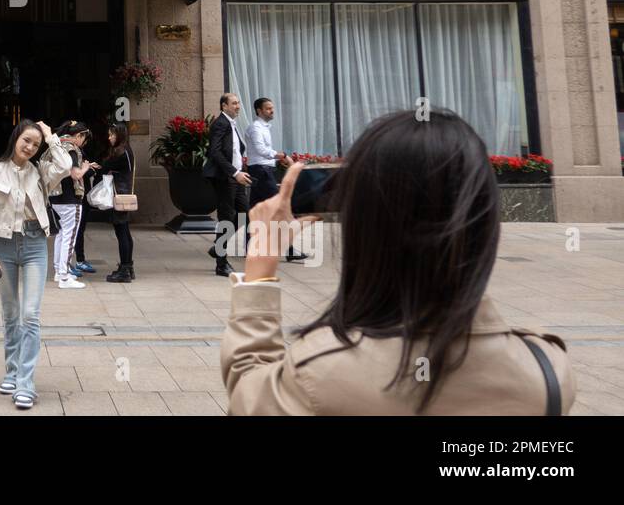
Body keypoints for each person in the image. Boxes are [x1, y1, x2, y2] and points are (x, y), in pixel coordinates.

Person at [222, 110, 576, 415]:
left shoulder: (318, 374)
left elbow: (248, 395)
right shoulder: (548, 372)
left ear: (366, 230)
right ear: (485, 225)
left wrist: (260, 269)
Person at [0, 119, 73, 410]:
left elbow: (66, 165)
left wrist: (50, 137)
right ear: (15, 137)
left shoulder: (42, 172)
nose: (30, 147)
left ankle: (26, 383)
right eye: (26, 140)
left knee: (30, 315)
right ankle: (12, 371)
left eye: (36, 143)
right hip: (4, 246)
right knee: (10, 313)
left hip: (34, 246)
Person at [244, 97, 306, 263]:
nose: (272, 111)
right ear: (259, 110)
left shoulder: (263, 127)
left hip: (261, 171)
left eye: (272, 108)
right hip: (262, 172)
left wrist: (278, 159)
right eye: (268, 108)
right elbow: (261, 150)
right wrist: (282, 155)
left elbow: (263, 152)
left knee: (254, 210)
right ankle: (290, 249)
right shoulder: (256, 128)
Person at [206, 93, 251, 277]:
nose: (238, 106)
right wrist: (234, 173)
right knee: (226, 218)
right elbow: (214, 153)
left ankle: (218, 248)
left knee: (245, 215)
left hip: (237, 179)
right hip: (226, 179)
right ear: (224, 106)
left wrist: (241, 171)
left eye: (238, 103)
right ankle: (221, 264)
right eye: (234, 103)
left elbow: (234, 151)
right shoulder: (220, 124)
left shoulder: (231, 124)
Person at [94, 122, 136, 284]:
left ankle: (125, 270)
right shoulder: (126, 150)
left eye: (112, 134)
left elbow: (104, 168)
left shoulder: (121, 152)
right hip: (123, 194)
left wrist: (97, 166)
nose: (109, 137)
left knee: (122, 232)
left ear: (120, 135)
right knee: (124, 231)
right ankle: (127, 267)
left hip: (120, 195)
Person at [50, 121, 91, 289]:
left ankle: (58, 272)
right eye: (84, 138)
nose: (83, 142)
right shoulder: (72, 149)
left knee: (61, 235)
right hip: (70, 198)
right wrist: (86, 167)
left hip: (55, 197)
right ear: (78, 135)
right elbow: (76, 174)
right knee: (69, 236)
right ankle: (65, 277)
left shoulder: (57, 146)